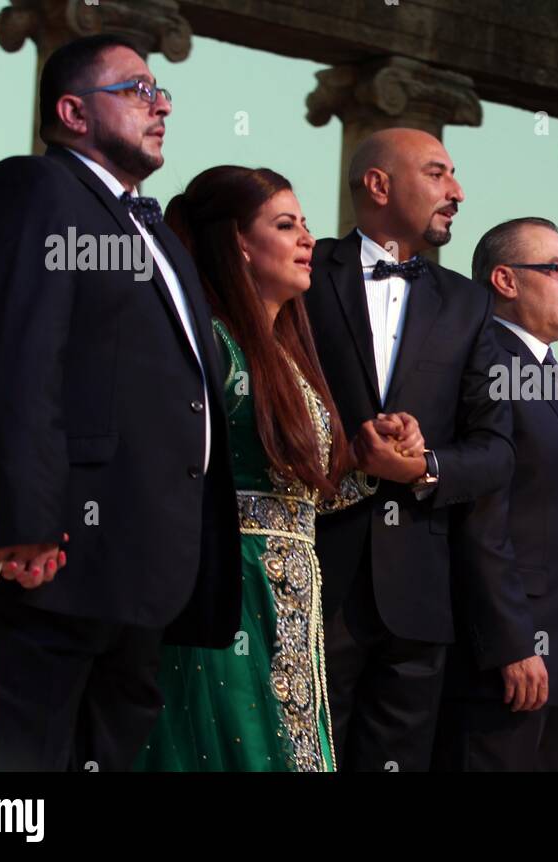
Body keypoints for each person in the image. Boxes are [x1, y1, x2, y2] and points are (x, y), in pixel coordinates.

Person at [0, 35, 242, 771]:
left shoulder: (155, 234)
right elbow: (20, 357)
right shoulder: (35, 189)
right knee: (30, 757)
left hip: (148, 565)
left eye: (163, 93)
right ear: (72, 110)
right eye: (138, 90)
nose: (162, 106)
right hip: (63, 557)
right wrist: (29, 517)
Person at [136, 167, 423, 771]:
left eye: (306, 225)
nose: (307, 240)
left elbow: (300, 496)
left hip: (292, 594)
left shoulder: (288, 354)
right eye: (286, 225)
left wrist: (371, 463)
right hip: (226, 590)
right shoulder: (212, 343)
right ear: (238, 242)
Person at [304, 128, 514, 772]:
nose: (457, 192)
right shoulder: (305, 273)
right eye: (437, 173)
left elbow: (496, 450)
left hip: (422, 590)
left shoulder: (472, 305)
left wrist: (424, 466)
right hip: (309, 573)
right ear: (378, 184)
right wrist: (346, 452)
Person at [437, 217, 558, 771]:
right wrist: (512, 642)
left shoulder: (554, 377)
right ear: (506, 281)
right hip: (509, 659)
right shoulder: (484, 364)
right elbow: (482, 516)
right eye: (557, 269)